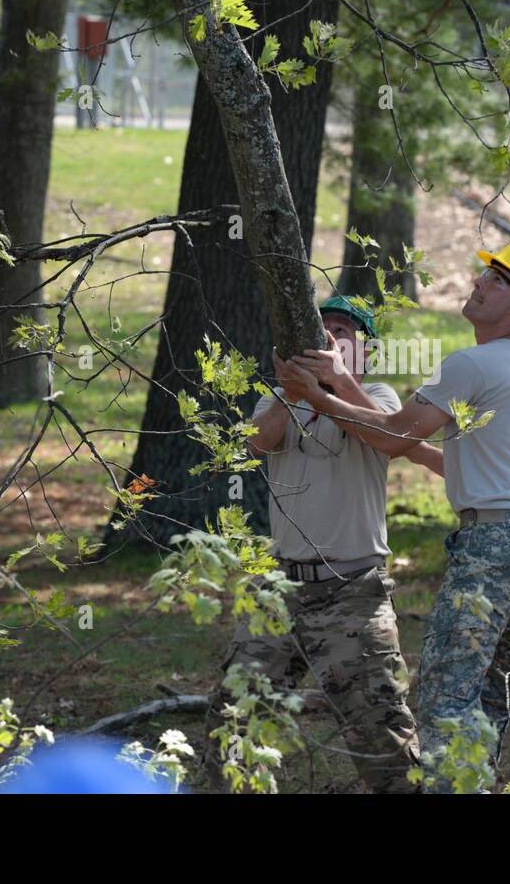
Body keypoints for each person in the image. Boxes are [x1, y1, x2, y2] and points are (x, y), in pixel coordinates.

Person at [276, 239, 510, 788]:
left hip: (494, 552)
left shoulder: (469, 365)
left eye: (499, 281)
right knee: (492, 699)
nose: (480, 283)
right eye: (487, 274)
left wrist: (316, 394)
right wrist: (345, 386)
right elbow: (440, 456)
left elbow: (390, 438)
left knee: (447, 699)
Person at [202, 295, 442, 793]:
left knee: (380, 730)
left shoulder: (377, 396)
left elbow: (387, 436)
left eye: (342, 334)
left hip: (353, 588)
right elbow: (255, 445)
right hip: (280, 589)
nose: (328, 339)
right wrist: (295, 390)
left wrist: (332, 384)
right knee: (236, 715)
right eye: (320, 331)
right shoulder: (276, 397)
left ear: (366, 352)